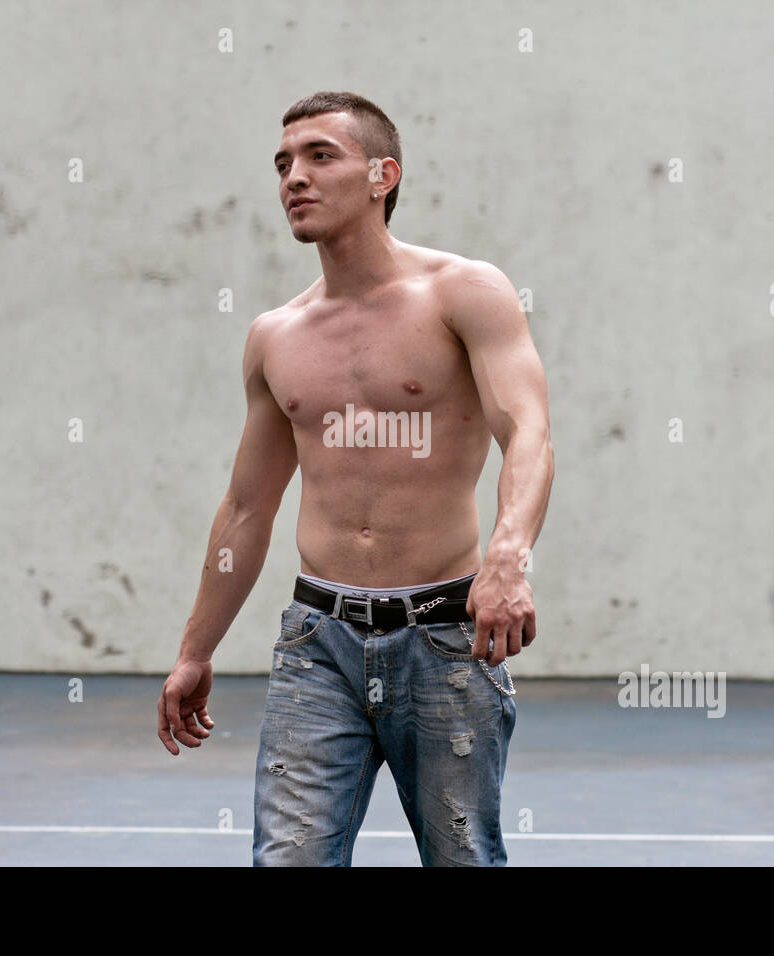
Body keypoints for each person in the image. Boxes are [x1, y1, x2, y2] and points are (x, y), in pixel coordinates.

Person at [156, 91, 555, 866]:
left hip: (445, 638)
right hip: (318, 643)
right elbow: (247, 505)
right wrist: (195, 650)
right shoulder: (275, 337)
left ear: (384, 175)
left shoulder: (465, 292)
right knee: (290, 859)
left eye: (319, 156)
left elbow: (528, 432)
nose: (293, 178)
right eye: (282, 165)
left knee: (463, 857)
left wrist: (510, 554)